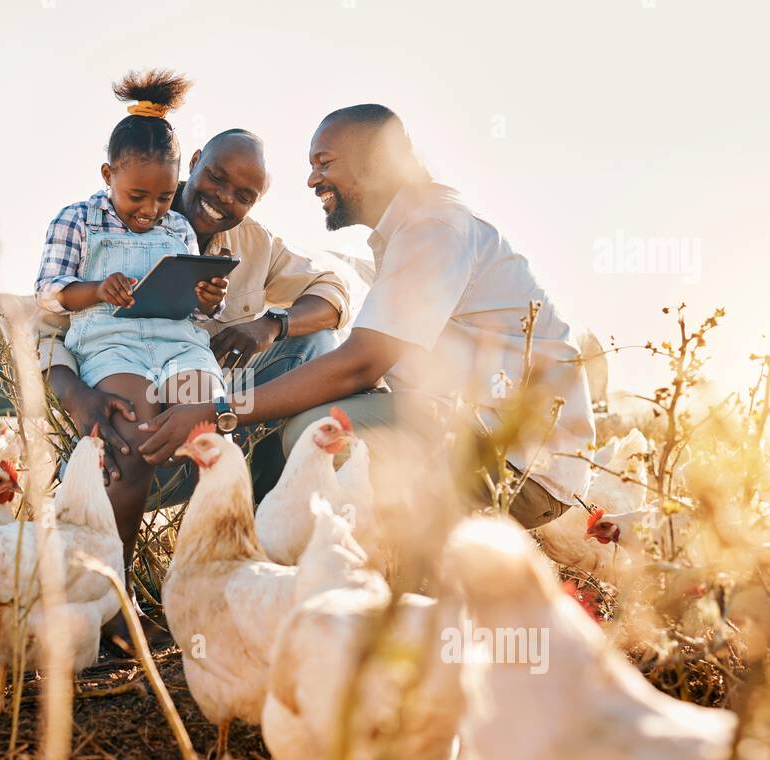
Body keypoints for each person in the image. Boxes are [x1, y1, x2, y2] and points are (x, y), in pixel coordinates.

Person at [137, 104, 595, 531]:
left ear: (376, 163)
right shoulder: (415, 228)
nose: (313, 180)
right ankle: (274, 546)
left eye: (325, 162)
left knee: (312, 434)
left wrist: (221, 412)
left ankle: (322, 571)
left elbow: (361, 362)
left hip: (514, 459)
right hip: (473, 430)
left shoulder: (432, 228)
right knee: (309, 398)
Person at [39, 128, 363, 504]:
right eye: (217, 177)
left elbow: (334, 292)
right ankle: (111, 514)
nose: (224, 198)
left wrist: (269, 325)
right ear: (194, 163)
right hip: (124, 420)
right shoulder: (105, 221)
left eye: (243, 196)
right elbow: (43, 333)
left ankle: (261, 505)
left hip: (214, 413)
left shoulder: (256, 243)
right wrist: (76, 397)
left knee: (314, 342)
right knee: (123, 463)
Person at [33, 69, 232, 561]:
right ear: (108, 176)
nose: (150, 210)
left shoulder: (180, 228)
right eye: (136, 197)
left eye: (164, 197)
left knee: (215, 428)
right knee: (132, 443)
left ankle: (201, 572)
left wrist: (208, 298)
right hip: (112, 343)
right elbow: (47, 293)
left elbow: (198, 314)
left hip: (180, 344)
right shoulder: (75, 219)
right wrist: (97, 289)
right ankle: (113, 578)